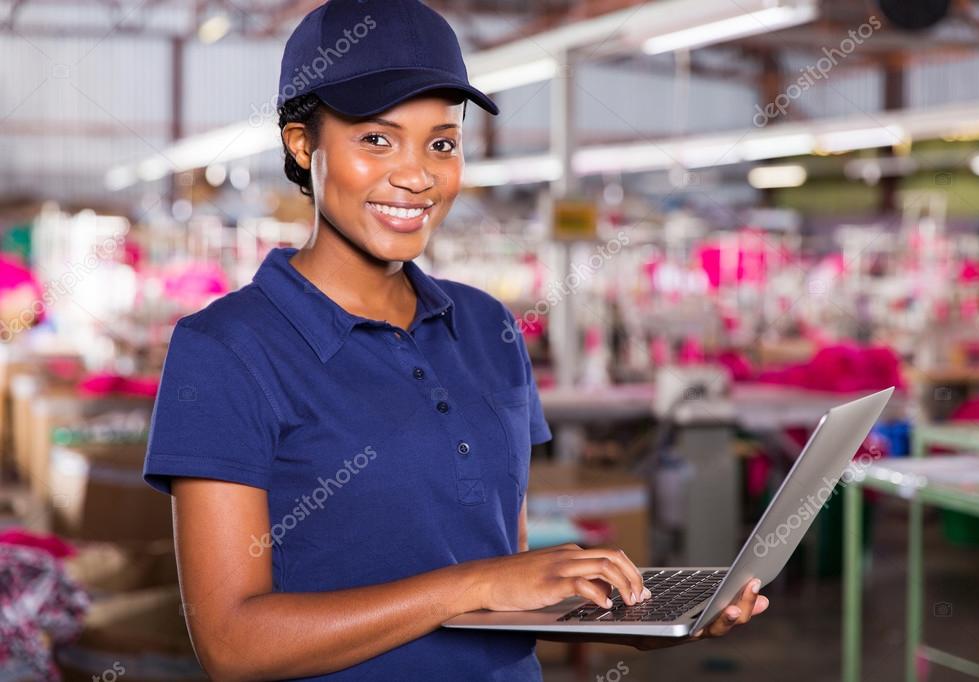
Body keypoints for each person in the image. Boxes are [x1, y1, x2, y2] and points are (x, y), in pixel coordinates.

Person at [142, 1, 768, 679]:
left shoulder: (488, 327)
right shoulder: (226, 348)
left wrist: (638, 618)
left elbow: (509, 581)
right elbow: (231, 644)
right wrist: (474, 584)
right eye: (376, 140)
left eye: (441, 142)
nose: (417, 175)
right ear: (302, 144)